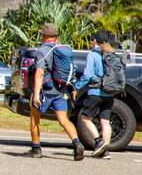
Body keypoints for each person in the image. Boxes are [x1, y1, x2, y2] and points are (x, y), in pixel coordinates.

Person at [27, 22, 84, 160]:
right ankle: (77, 143)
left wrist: (36, 95)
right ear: (56, 36)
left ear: (44, 35)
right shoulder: (63, 49)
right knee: (64, 120)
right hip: (61, 90)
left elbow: (39, 73)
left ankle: (36, 149)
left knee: (34, 118)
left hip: (45, 91)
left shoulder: (42, 51)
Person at [74, 30, 118, 158]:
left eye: (92, 40)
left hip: (95, 92)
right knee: (105, 121)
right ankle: (105, 151)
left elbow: (87, 75)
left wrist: (77, 86)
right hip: (109, 93)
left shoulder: (93, 55)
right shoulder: (112, 54)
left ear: (96, 41)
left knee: (85, 118)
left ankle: (99, 142)